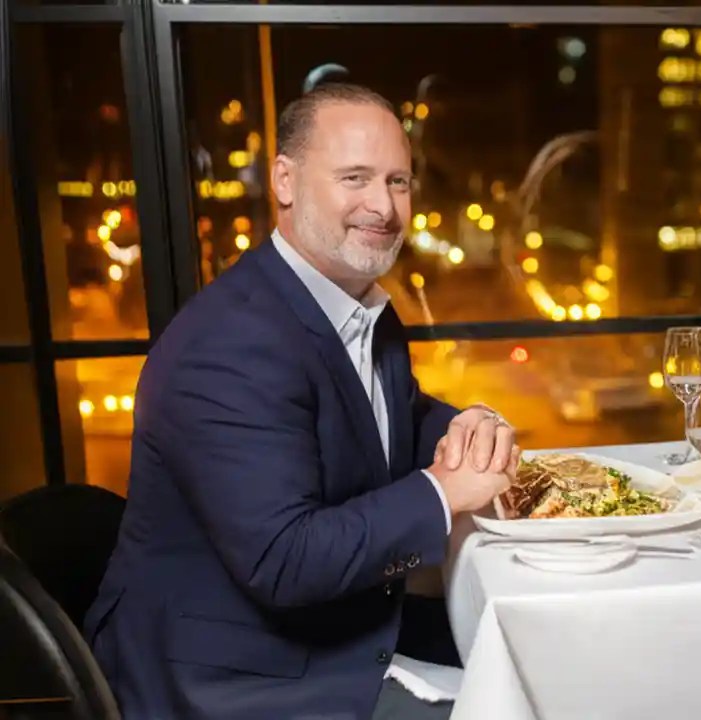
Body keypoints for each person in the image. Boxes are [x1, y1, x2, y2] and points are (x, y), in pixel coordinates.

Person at [83, 83, 515, 720]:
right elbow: (285, 561)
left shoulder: (359, 303)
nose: (384, 206)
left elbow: (397, 416)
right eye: (355, 177)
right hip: (233, 676)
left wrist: (474, 424)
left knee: (540, 661)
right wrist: (445, 493)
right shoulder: (230, 344)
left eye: (398, 181)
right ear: (284, 181)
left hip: (333, 623)